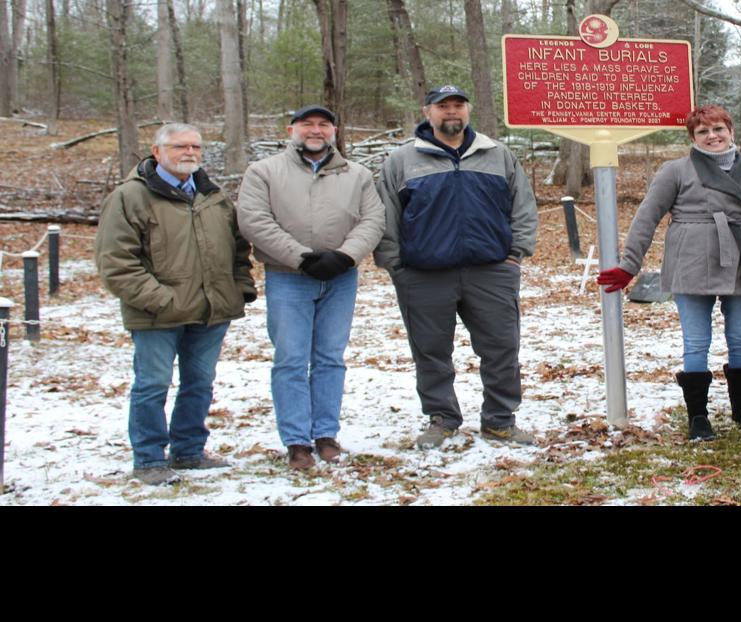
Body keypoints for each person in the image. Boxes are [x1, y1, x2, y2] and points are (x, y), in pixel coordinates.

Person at [373, 85, 540, 448]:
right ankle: (442, 419)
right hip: (423, 274)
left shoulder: (497, 154)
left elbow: (523, 206)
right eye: (442, 106)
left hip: (492, 270)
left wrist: (515, 254)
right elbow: (386, 215)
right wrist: (396, 266)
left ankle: (499, 420)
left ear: (468, 110)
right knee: (431, 352)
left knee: (502, 349)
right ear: (427, 112)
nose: (451, 111)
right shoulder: (403, 160)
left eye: (458, 105)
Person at [597, 105, 741, 442]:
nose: (712, 136)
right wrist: (629, 264)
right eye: (703, 132)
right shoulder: (675, 170)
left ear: (731, 131)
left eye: (718, 129)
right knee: (696, 341)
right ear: (693, 137)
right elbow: (647, 216)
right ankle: (698, 418)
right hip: (692, 260)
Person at [96, 123, 256, 485]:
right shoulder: (130, 197)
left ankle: (188, 450)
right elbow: (116, 262)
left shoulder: (212, 195)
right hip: (157, 313)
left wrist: (238, 288)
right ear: (157, 152)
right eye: (180, 146)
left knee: (199, 382)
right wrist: (161, 299)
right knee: (152, 385)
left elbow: (237, 249)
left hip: (211, 310)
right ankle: (149, 459)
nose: (189, 153)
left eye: (195, 147)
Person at [237, 105, 384, 470]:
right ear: (292, 130)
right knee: (290, 358)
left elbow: (373, 219)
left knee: (330, 357)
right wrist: (300, 257)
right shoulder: (264, 172)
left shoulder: (357, 174)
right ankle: (297, 441)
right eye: (307, 124)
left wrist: (346, 256)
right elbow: (254, 220)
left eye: (323, 124)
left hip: (340, 277)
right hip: (288, 276)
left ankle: (325, 434)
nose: (315, 130)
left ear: (334, 131)